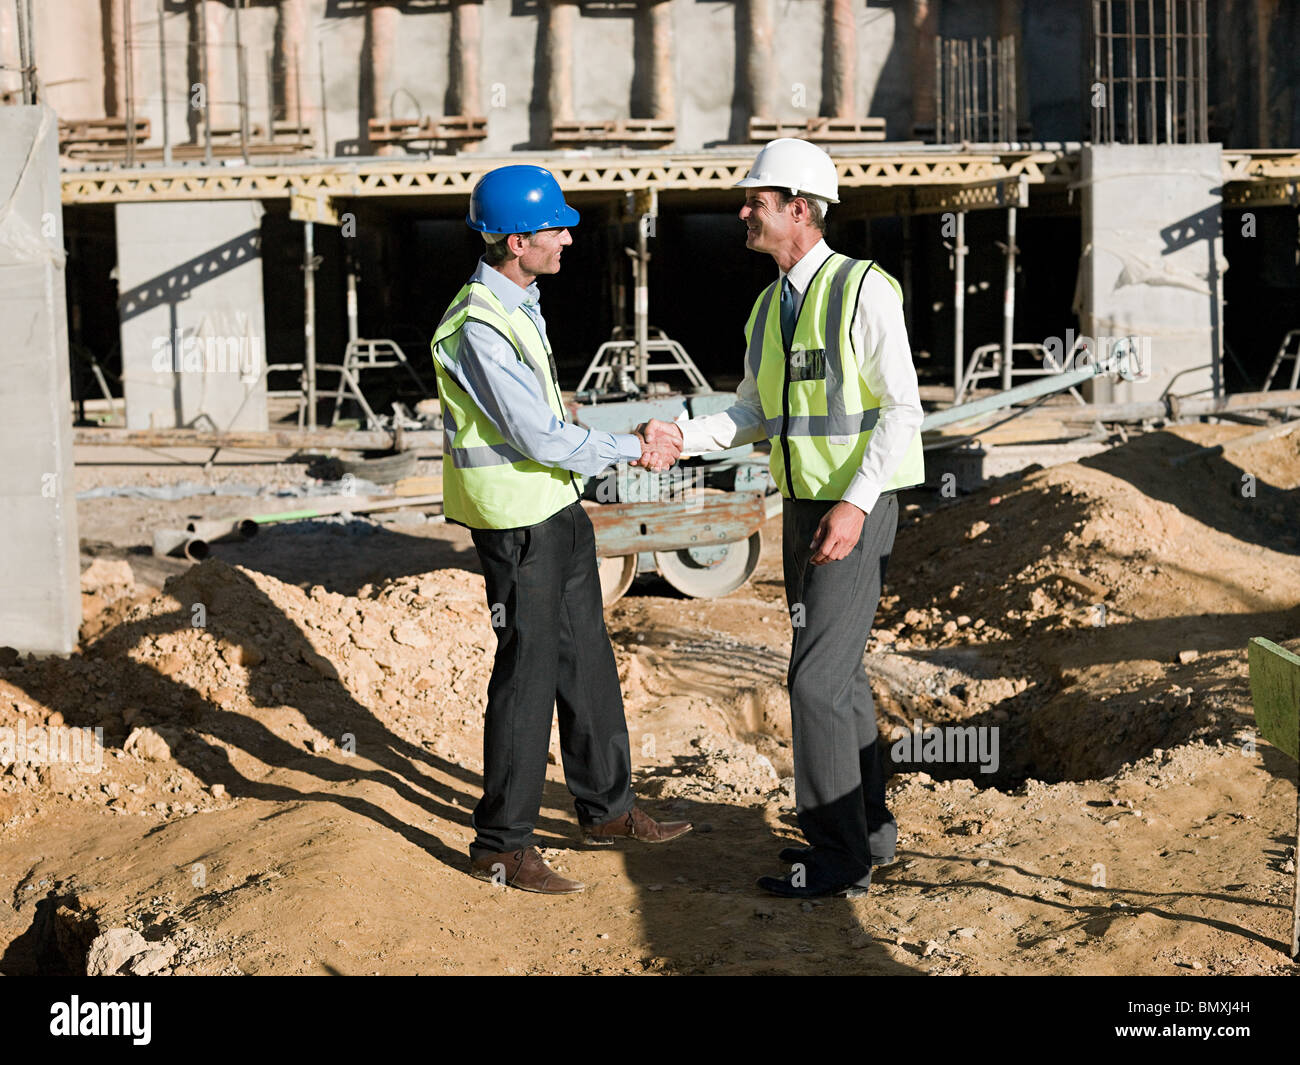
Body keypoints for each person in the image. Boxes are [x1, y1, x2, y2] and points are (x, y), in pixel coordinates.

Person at [639, 139, 924, 898]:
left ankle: (835, 859)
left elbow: (902, 410)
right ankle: (869, 833)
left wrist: (855, 503)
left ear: (799, 209)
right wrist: (681, 436)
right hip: (803, 508)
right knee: (839, 676)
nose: (743, 212)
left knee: (814, 680)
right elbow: (752, 413)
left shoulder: (863, 289)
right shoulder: (770, 307)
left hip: (853, 508)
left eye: (756, 201)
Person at [430, 164, 690, 895]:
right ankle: (502, 846)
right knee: (528, 675)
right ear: (516, 241)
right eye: (556, 228)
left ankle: (607, 808)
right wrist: (631, 447)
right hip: (517, 522)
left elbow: (550, 418)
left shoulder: (519, 305)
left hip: (557, 510)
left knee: (586, 659)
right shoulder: (477, 324)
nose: (569, 239)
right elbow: (538, 436)